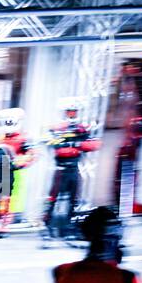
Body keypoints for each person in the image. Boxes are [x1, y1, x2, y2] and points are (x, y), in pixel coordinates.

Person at [43, 97, 100, 242]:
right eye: (69, 111)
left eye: (74, 111)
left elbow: (94, 144)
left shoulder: (82, 128)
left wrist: (76, 144)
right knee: (53, 198)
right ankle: (47, 227)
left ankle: (69, 228)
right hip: (59, 168)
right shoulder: (55, 128)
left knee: (74, 199)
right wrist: (72, 144)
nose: (72, 114)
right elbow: (50, 143)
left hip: (74, 168)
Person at [0, 108, 36, 236]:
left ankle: (4, 225)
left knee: (11, 199)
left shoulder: (24, 137)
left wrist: (20, 161)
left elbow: (32, 154)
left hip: (16, 171)